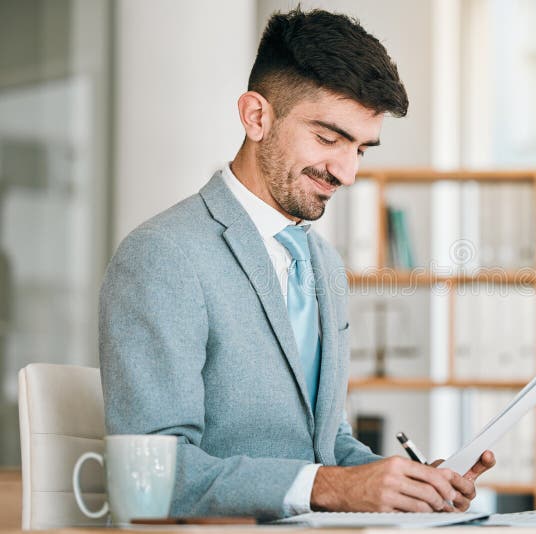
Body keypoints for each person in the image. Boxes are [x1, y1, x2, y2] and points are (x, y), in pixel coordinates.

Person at [99, 8, 495, 520]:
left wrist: (408, 485)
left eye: (360, 149)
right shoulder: (163, 256)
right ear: (256, 116)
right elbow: (153, 477)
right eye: (328, 139)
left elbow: (326, 445)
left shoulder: (323, 262)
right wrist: (334, 487)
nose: (346, 172)